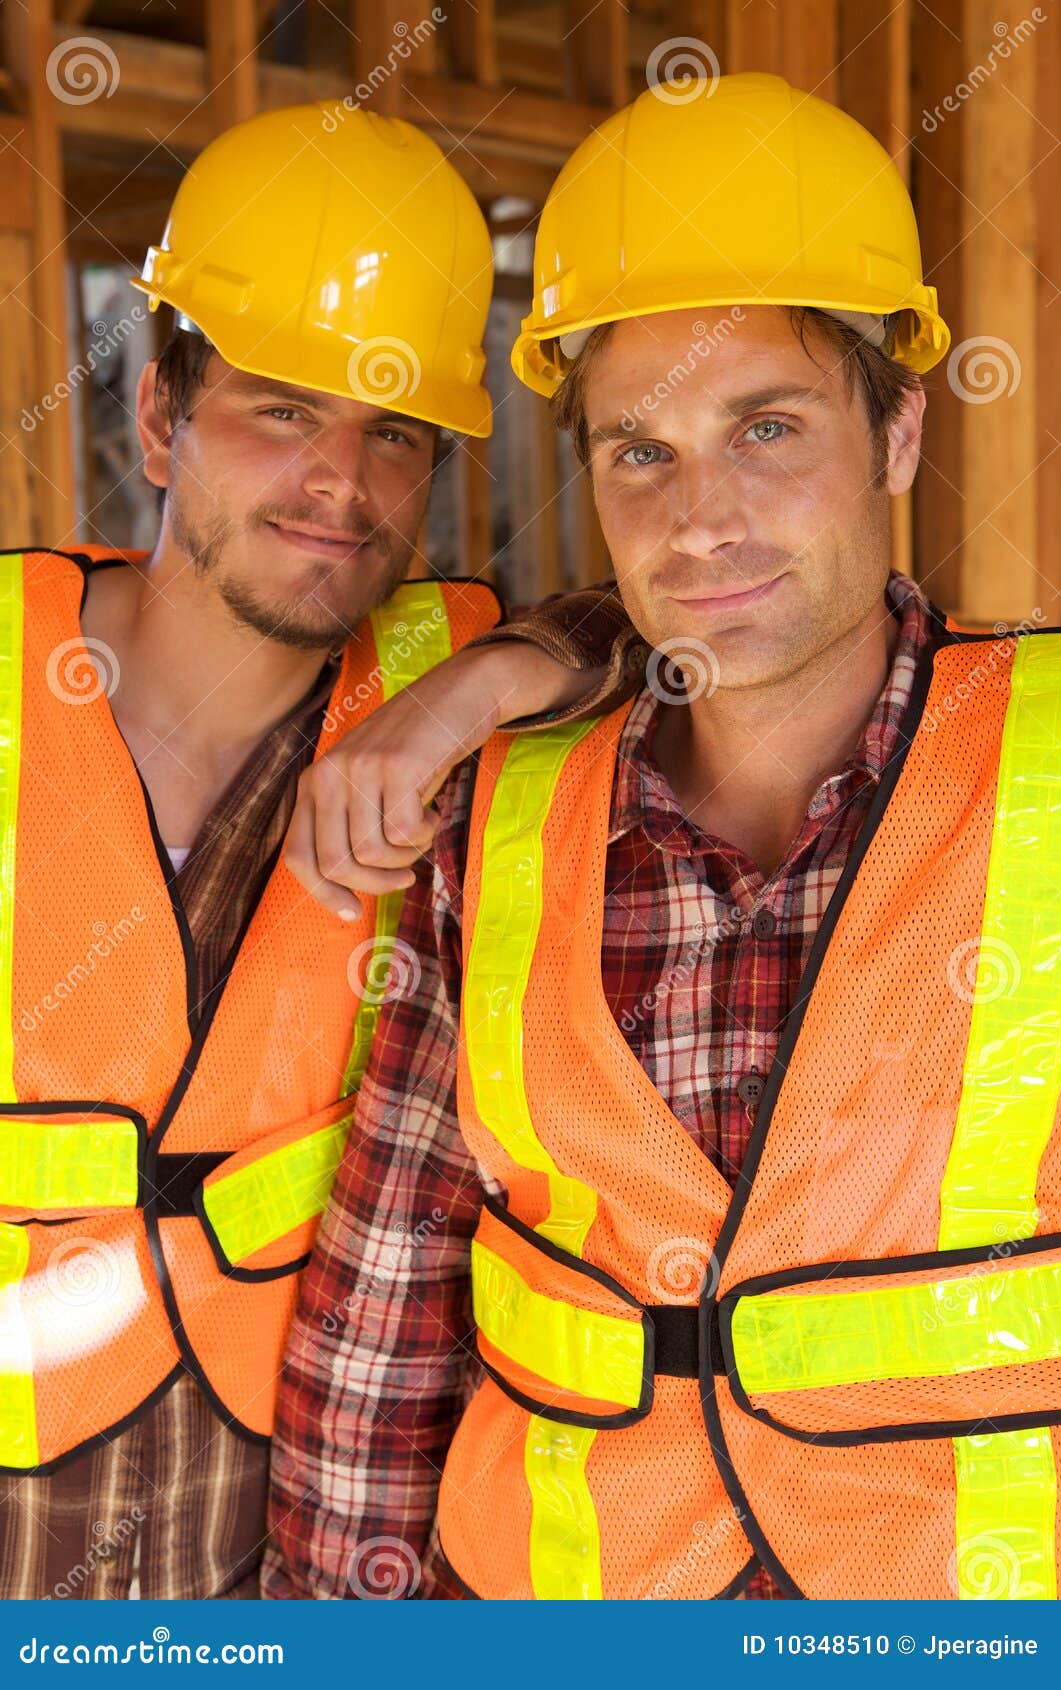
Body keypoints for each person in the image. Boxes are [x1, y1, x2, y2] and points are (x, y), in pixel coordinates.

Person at [269, 74, 1061, 1602]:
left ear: (899, 431)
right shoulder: (499, 822)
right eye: (641, 452)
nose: (701, 519)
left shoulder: (1051, 775)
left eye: (766, 426)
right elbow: (382, 1323)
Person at [0, 99, 590, 1601]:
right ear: (154, 416)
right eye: (280, 407)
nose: (343, 481)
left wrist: (484, 682)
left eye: (395, 431)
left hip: (289, 1548)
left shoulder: (444, 676)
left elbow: (664, 636)